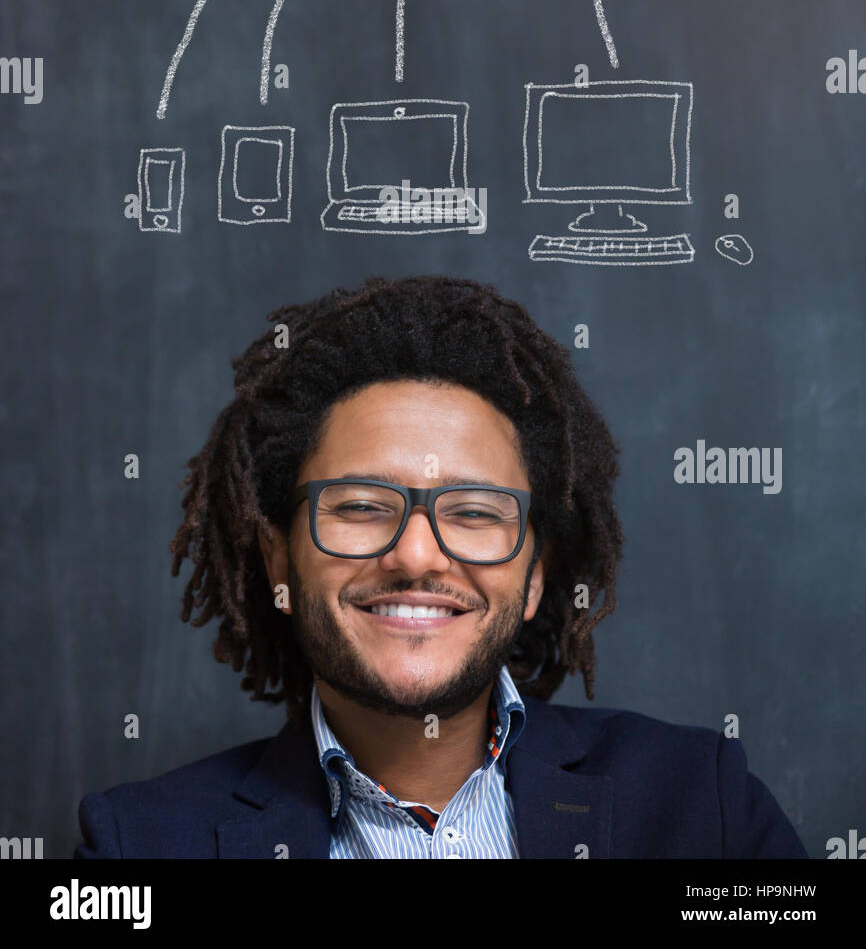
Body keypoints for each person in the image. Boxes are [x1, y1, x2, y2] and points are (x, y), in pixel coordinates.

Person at [74, 274, 808, 859]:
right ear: (278, 559)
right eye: (360, 506)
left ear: (537, 575)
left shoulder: (706, 809)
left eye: (475, 512)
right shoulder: (134, 845)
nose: (417, 555)